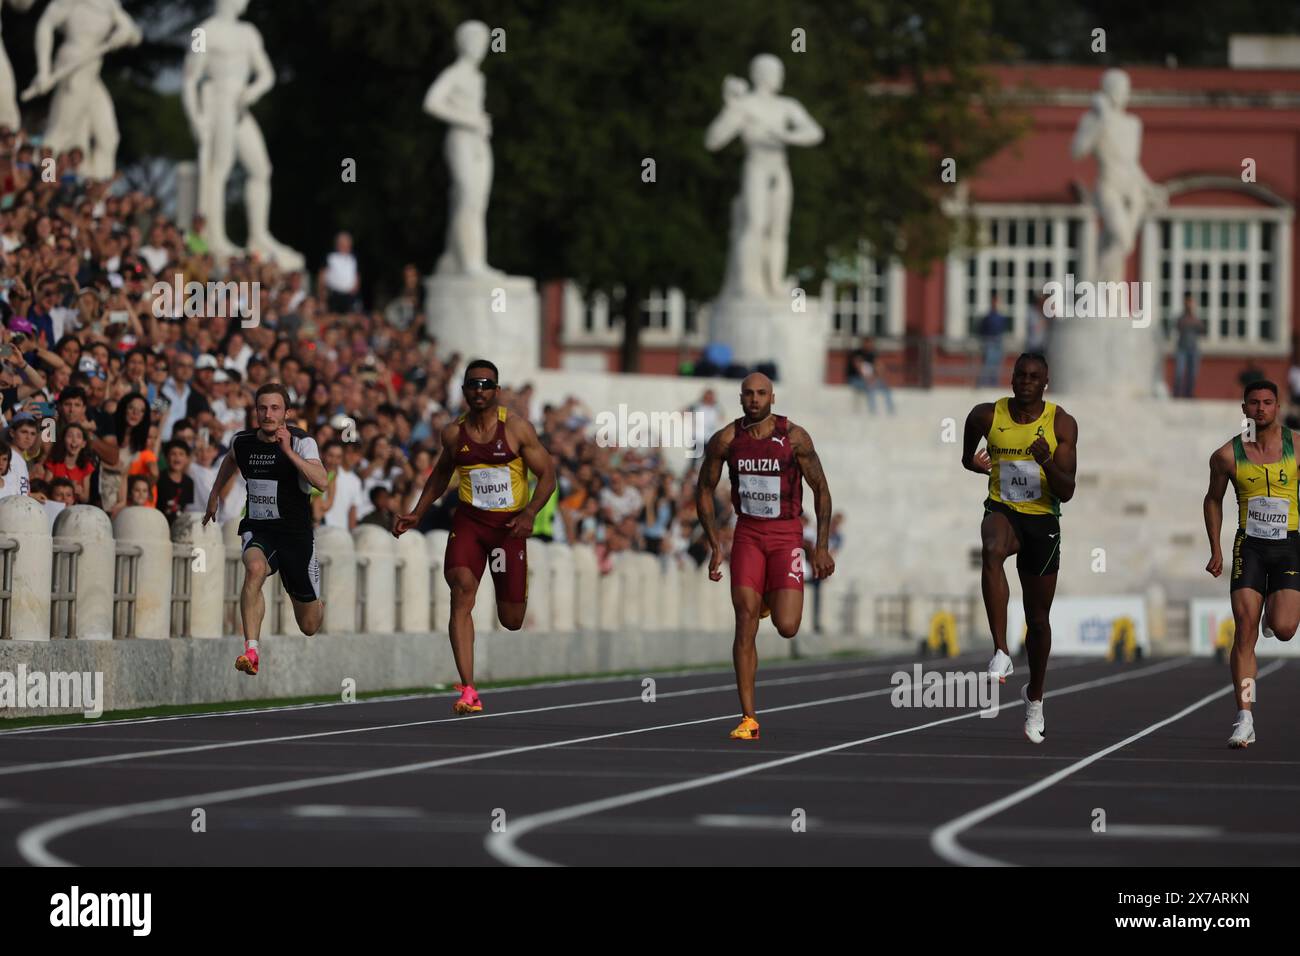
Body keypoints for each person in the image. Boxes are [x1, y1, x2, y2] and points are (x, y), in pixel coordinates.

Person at [394, 359, 557, 715]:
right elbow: (440, 476)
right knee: (461, 587)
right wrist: (417, 511)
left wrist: (529, 513)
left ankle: (516, 587)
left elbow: (548, 476)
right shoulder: (453, 433)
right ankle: (469, 689)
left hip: (508, 527)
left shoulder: (516, 429)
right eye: (473, 385)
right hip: (469, 521)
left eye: (486, 384)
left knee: (511, 619)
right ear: (465, 390)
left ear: (496, 391)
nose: (479, 390)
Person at [695, 372, 836, 741]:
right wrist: (714, 545)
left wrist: (820, 546)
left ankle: (769, 598)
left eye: (761, 394)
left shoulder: (794, 438)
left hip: (786, 534)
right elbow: (704, 490)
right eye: (748, 394)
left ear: (772, 398)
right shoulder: (726, 440)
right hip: (748, 534)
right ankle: (748, 718)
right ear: (740, 398)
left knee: (787, 627)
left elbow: (820, 489)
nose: (754, 399)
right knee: (744, 620)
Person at [962, 352, 1078, 744]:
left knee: (1039, 620)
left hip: (1043, 520)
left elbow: (1068, 490)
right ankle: (999, 649)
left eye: (1034, 377)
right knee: (991, 549)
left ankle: (1035, 698)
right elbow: (965, 457)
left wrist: (1047, 462)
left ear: (1045, 382)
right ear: (1011, 378)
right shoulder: (985, 416)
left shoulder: (1060, 423)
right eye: (1020, 375)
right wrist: (975, 464)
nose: (1026, 381)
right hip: (1003, 509)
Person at [202, 383, 327, 676]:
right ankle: (252, 650)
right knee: (255, 569)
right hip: (260, 529)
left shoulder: (301, 442)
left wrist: (288, 453)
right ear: (255, 411)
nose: (268, 414)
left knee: (309, 626)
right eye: (262, 408)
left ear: (286, 413)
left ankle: (316, 599)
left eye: (274, 408)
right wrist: (214, 495)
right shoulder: (243, 441)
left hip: (296, 537)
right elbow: (230, 459)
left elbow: (321, 481)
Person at [1203, 381, 1298, 749]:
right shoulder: (1227, 455)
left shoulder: (1297, 445)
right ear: (1244, 408)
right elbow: (1212, 500)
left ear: (1278, 406)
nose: (1261, 409)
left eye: (1268, 402)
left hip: (1290, 545)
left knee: (1286, 628)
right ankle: (1245, 717)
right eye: (1254, 403)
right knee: (1244, 632)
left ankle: (1271, 615)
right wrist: (1216, 548)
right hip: (1251, 546)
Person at [846, 336, 894, 414]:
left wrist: (877, 377)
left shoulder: (872, 355)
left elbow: (879, 367)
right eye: (868, 343)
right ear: (864, 344)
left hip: (870, 379)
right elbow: (859, 367)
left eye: (871, 344)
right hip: (856, 379)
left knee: (885, 388)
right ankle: (873, 412)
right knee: (870, 388)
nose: (870, 346)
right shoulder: (857, 353)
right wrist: (869, 380)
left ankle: (891, 411)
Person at [1172, 293, 1204, 398]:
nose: (1189, 305)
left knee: (1192, 373)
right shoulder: (1181, 318)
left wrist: (1194, 321)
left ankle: (1189, 394)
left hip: (1193, 348)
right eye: (1188, 302)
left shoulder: (1196, 318)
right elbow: (1179, 326)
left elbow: (1202, 330)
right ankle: (1177, 393)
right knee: (1179, 373)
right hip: (1182, 348)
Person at [977, 293, 1008, 387]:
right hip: (989, 342)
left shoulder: (1000, 317)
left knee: (996, 365)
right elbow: (982, 329)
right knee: (988, 364)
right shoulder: (988, 317)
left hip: (998, 342)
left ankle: (994, 384)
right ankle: (983, 384)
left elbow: (1003, 329)